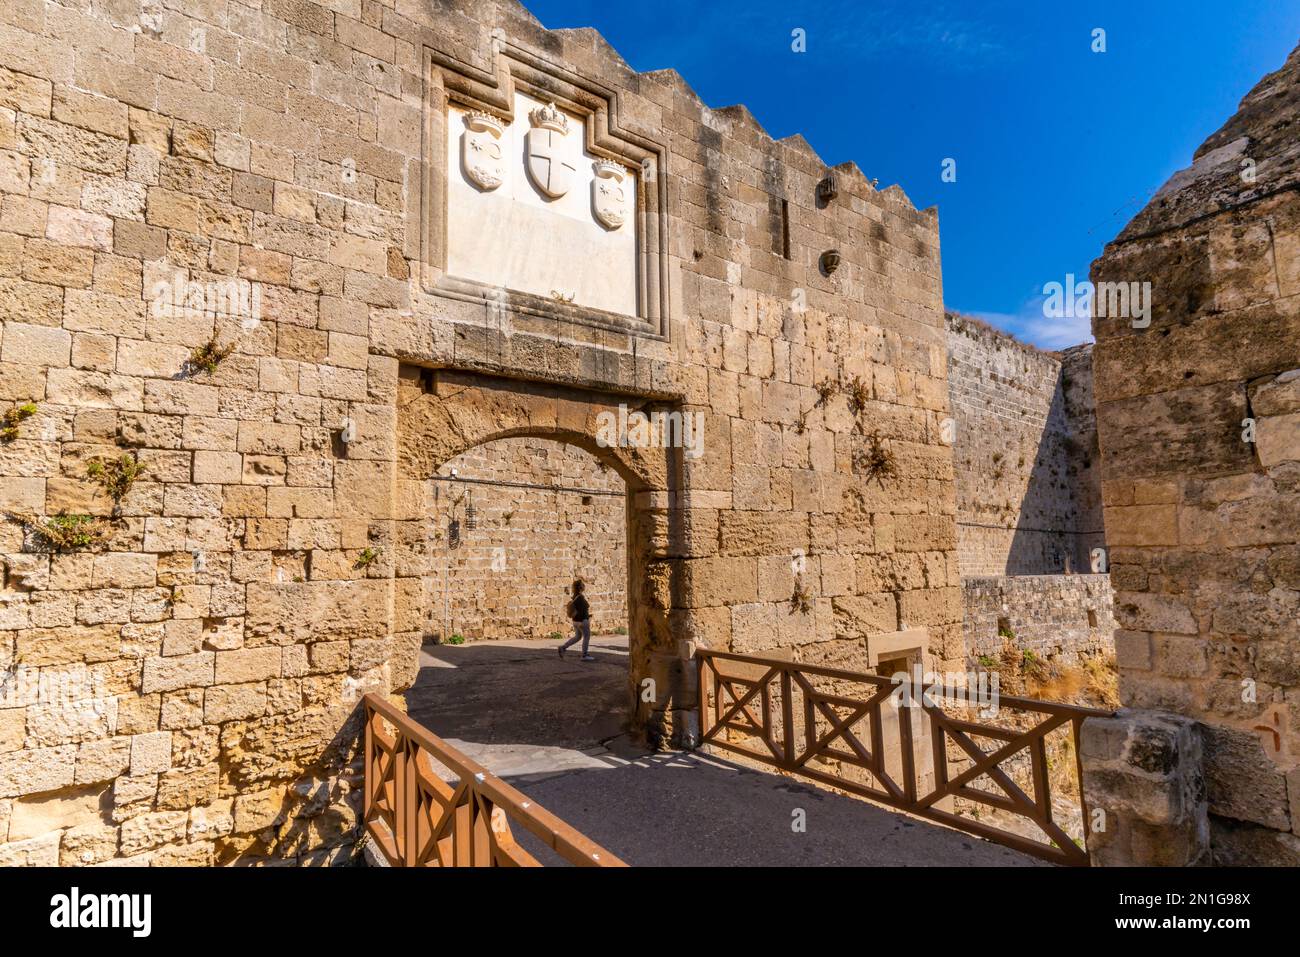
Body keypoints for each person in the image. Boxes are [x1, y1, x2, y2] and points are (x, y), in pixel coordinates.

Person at [558, 579, 594, 661]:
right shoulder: (581, 597)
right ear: (580, 587)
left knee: (578, 637)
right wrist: (587, 619)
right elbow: (583, 610)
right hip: (582, 621)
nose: (584, 586)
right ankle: (584, 655)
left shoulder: (575, 596)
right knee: (586, 637)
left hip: (575, 621)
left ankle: (563, 647)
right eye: (583, 585)